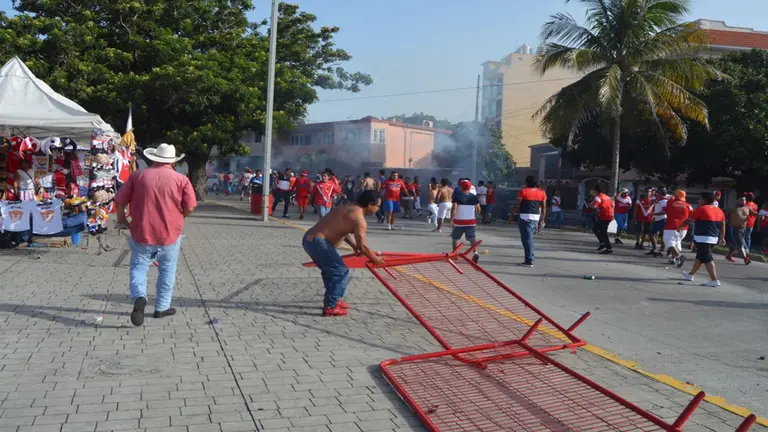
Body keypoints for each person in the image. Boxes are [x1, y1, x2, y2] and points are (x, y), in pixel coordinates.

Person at [114, 144, 197, 327]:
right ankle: (161, 308)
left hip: (142, 232)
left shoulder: (138, 176)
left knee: (138, 268)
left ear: (154, 158)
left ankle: (139, 297)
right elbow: (190, 206)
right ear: (173, 162)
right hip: (170, 233)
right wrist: (181, 216)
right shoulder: (181, 179)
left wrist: (122, 219)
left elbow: (120, 200)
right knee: (167, 270)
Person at [303, 190, 384, 316]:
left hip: (310, 239)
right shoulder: (359, 218)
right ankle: (330, 306)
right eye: (378, 206)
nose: (378, 209)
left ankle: (334, 299)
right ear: (370, 204)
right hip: (319, 242)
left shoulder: (346, 207)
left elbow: (342, 230)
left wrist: (353, 246)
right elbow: (363, 246)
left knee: (331, 271)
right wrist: (375, 259)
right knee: (340, 271)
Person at [682, 192, 726, 287]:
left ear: (704, 200)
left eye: (701, 199)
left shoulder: (701, 209)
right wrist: (722, 237)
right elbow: (723, 225)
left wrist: (679, 227)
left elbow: (689, 220)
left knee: (707, 259)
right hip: (714, 238)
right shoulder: (719, 211)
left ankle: (714, 280)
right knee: (700, 257)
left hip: (703, 238)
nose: (699, 201)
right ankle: (690, 275)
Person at [514, 175, 547, 267]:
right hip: (535, 218)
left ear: (527, 183)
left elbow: (517, 205)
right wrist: (542, 220)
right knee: (529, 238)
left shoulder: (523, 191)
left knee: (527, 239)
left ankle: (529, 260)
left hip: (525, 218)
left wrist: (511, 215)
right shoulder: (542, 192)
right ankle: (529, 258)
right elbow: (544, 208)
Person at [450, 179, 481, 263]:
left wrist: (451, 219)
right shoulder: (474, 197)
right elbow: (478, 209)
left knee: (456, 238)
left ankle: (455, 255)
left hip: (459, 221)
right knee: (472, 238)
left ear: (461, 187)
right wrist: (476, 215)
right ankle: (475, 253)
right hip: (470, 221)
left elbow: (454, 209)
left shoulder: (457, 196)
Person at [725, 196, 759, 265]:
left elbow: (755, 214)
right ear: (737, 200)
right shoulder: (733, 208)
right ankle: (746, 259)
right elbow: (724, 216)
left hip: (743, 229)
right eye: (741, 200)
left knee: (735, 244)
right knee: (741, 244)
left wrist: (761, 215)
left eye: (744, 200)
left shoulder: (748, 208)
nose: (743, 201)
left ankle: (729, 255)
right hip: (735, 229)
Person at [663, 190, 691, 268]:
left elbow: (665, 207)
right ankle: (672, 259)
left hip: (671, 226)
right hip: (684, 227)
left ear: (676, 196)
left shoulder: (671, 203)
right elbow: (692, 213)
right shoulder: (687, 205)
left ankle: (679, 256)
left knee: (669, 242)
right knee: (677, 242)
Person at [591, 185, 614, 254]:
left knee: (603, 232)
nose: (592, 192)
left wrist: (591, 205)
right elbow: (612, 205)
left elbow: (594, 206)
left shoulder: (597, 198)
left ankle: (609, 248)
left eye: (592, 190)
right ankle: (602, 243)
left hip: (605, 216)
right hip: (609, 215)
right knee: (595, 229)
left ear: (596, 191)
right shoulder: (607, 196)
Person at [648, 188, 669, 257]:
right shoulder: (658, 200)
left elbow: (664, 212)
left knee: (663, 236)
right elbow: (650, 203)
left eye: (658, 193)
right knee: (651, 233)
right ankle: (654, 249)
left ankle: (661, 251)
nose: (656, 194)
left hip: (663, 220)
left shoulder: (664, 201)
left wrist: (653, 214)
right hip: (656, 220)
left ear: (661, 194)